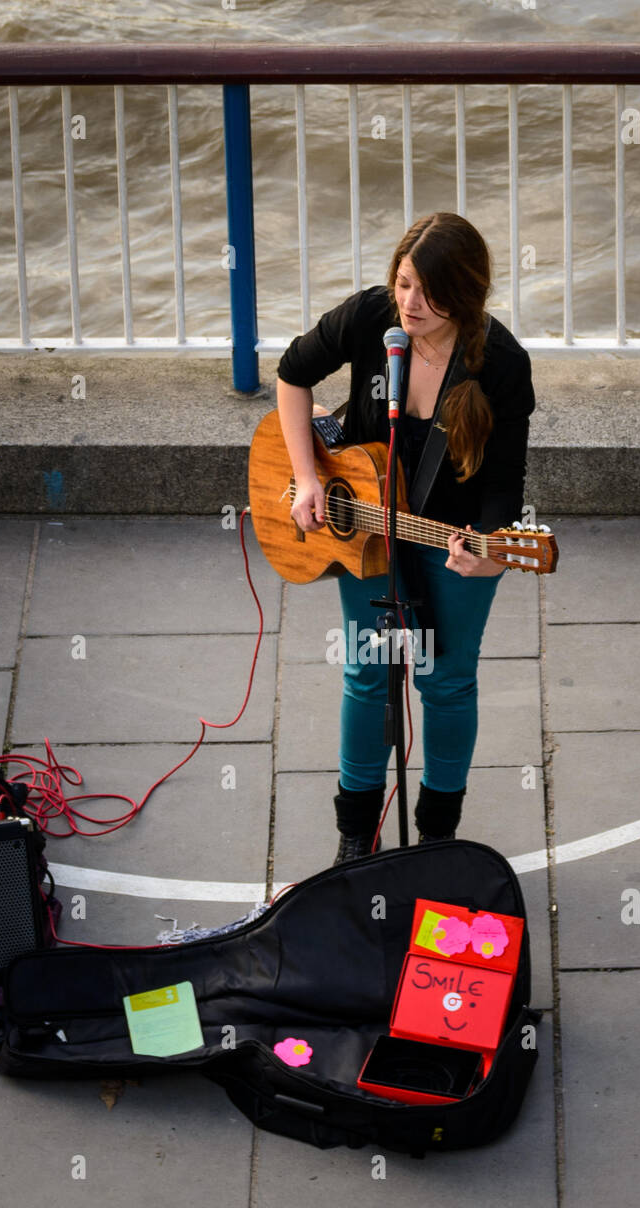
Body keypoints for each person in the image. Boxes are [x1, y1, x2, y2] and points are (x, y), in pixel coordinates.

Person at [275, 212, 535, 863]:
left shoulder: (500, 363)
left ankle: (438, 833)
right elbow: (291, 373)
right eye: (404, 284)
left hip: (452, 537)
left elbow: (505, 480)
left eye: (428, 292)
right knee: (366, 674)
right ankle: (353, 837)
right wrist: (308, 479)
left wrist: (489, 545)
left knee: (447, 681)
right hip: (365, 524)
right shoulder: (371, 319)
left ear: (466, 294)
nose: (410, 304)